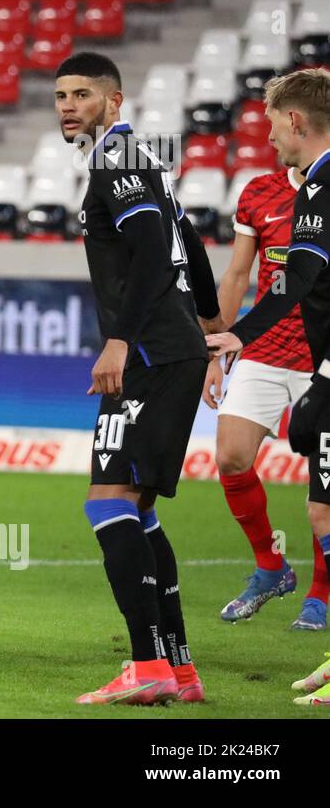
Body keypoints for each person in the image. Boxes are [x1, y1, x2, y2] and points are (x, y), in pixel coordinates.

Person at [54, 51, 222, 704]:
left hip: (150, 353)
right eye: (62, 95)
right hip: (177, 347)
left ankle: (146, 666)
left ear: (115, 102)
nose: (68, 105)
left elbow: (154, 249)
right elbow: (192, 244)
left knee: (108, 500)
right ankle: (178, 669)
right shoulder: (145, 162)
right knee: (139, 510)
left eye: (82, 95)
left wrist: (120, 341)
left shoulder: (117, 160)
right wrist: (208, 324)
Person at [205, 67, 330, 705]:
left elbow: (303, 276)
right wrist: (221, 342)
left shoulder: (323, 189)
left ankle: (321, 593)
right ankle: (272, 568)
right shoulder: (258, 192)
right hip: (262, 348)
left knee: (320, 474)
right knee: (229, 456)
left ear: (297, 123)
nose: (269, 133)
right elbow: (238, 274)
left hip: (319, 356)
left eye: (276, 122)